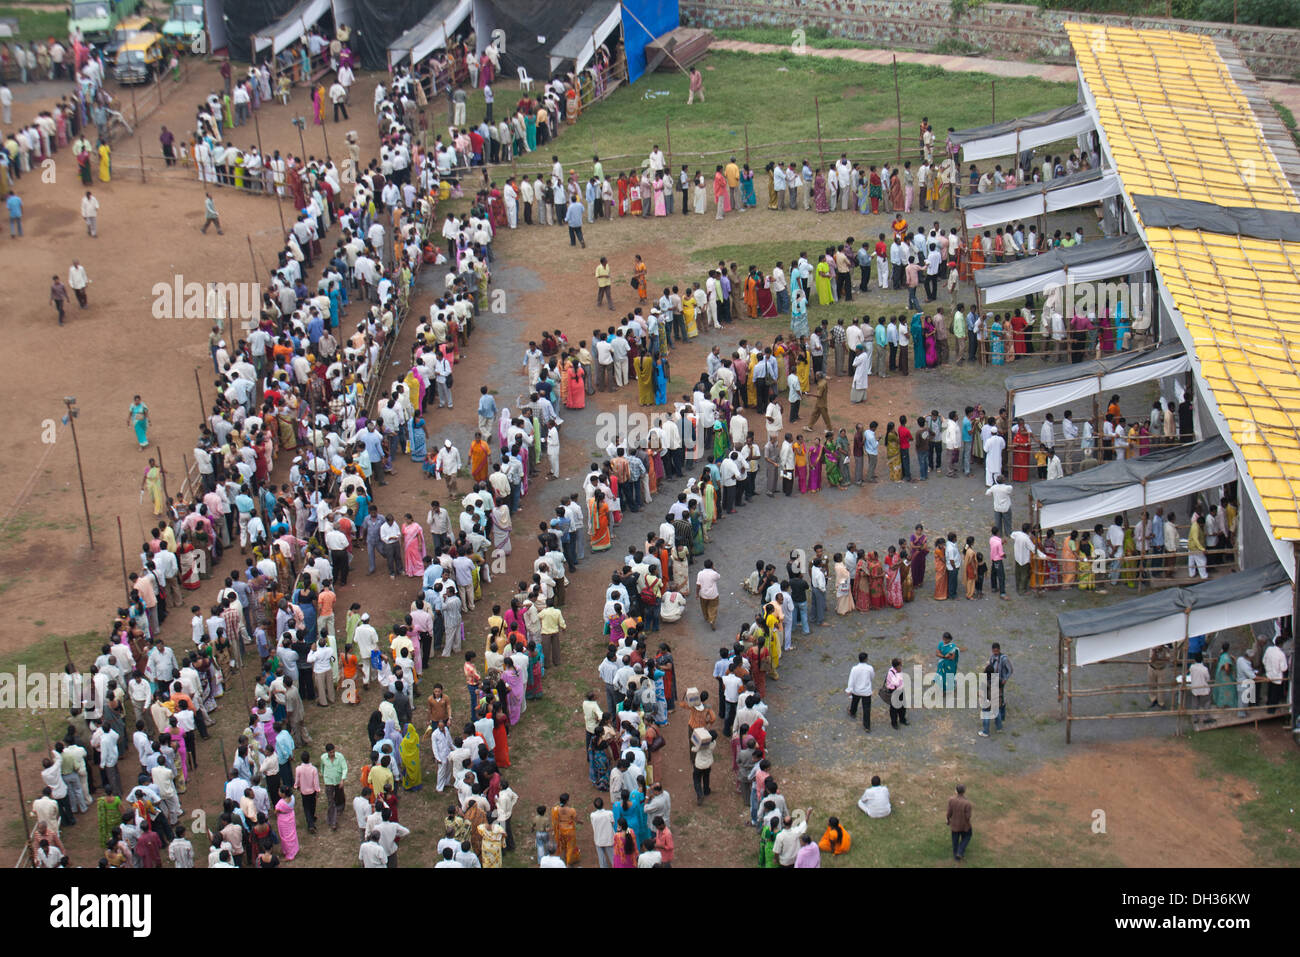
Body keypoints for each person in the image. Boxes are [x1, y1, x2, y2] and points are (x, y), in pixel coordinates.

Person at [946, 783, 972, 861]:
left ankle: (956, 856)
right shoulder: (967, 803)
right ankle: (960, 852)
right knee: (967, 836)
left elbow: (949, 812)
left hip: (954, 824)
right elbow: (968, 816)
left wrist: (948, 820)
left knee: (955, 840)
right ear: (964, 791)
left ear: (956, 791)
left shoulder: (951, 800)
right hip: (964, 825)